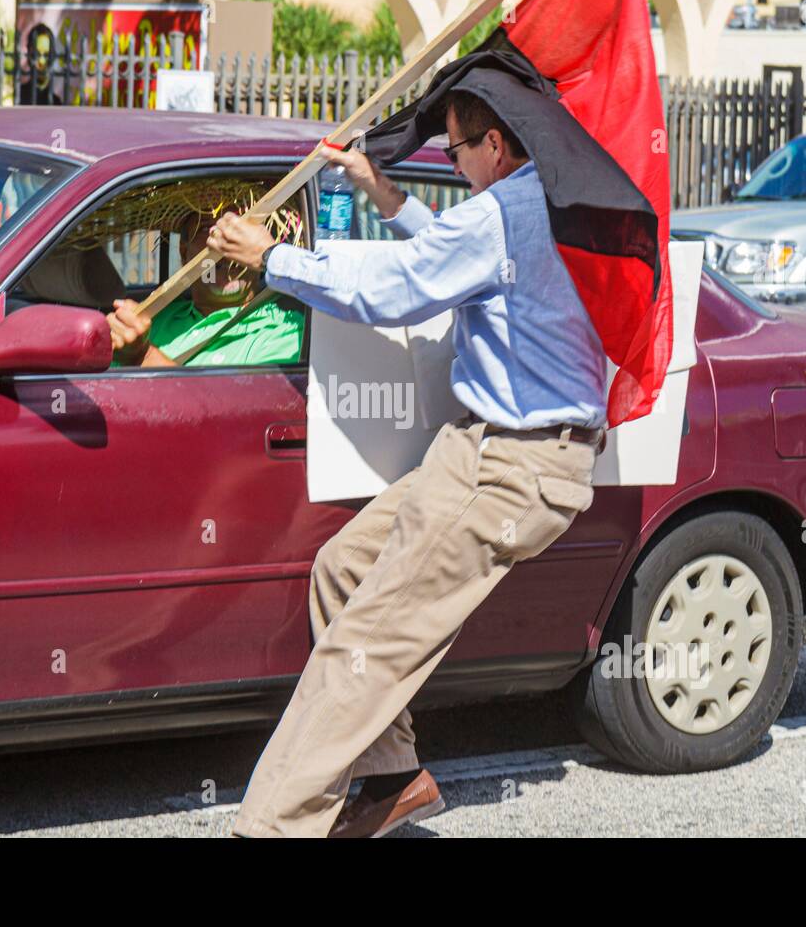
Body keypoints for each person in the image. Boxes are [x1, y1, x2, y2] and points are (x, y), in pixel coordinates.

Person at [207, 89, 609, 837]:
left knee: (363, 649)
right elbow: (453, 254)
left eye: (455, 153)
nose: (455, 169)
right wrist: (385, 195)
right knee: (344, 567)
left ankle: (271, 827)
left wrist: (271, 257)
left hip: (506, 465)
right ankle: (394, 779)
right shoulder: (540, 203)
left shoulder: (502, 214)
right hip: (485, 450)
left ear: (495, 144)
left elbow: (391, 288)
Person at [106, 210, 304, 368]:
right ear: (184, 253)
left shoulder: (287, 330)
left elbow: (234, 414)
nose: (224, 242)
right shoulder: (151, 319)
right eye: (208, 228)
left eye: (239, 230)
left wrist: (143, 355)